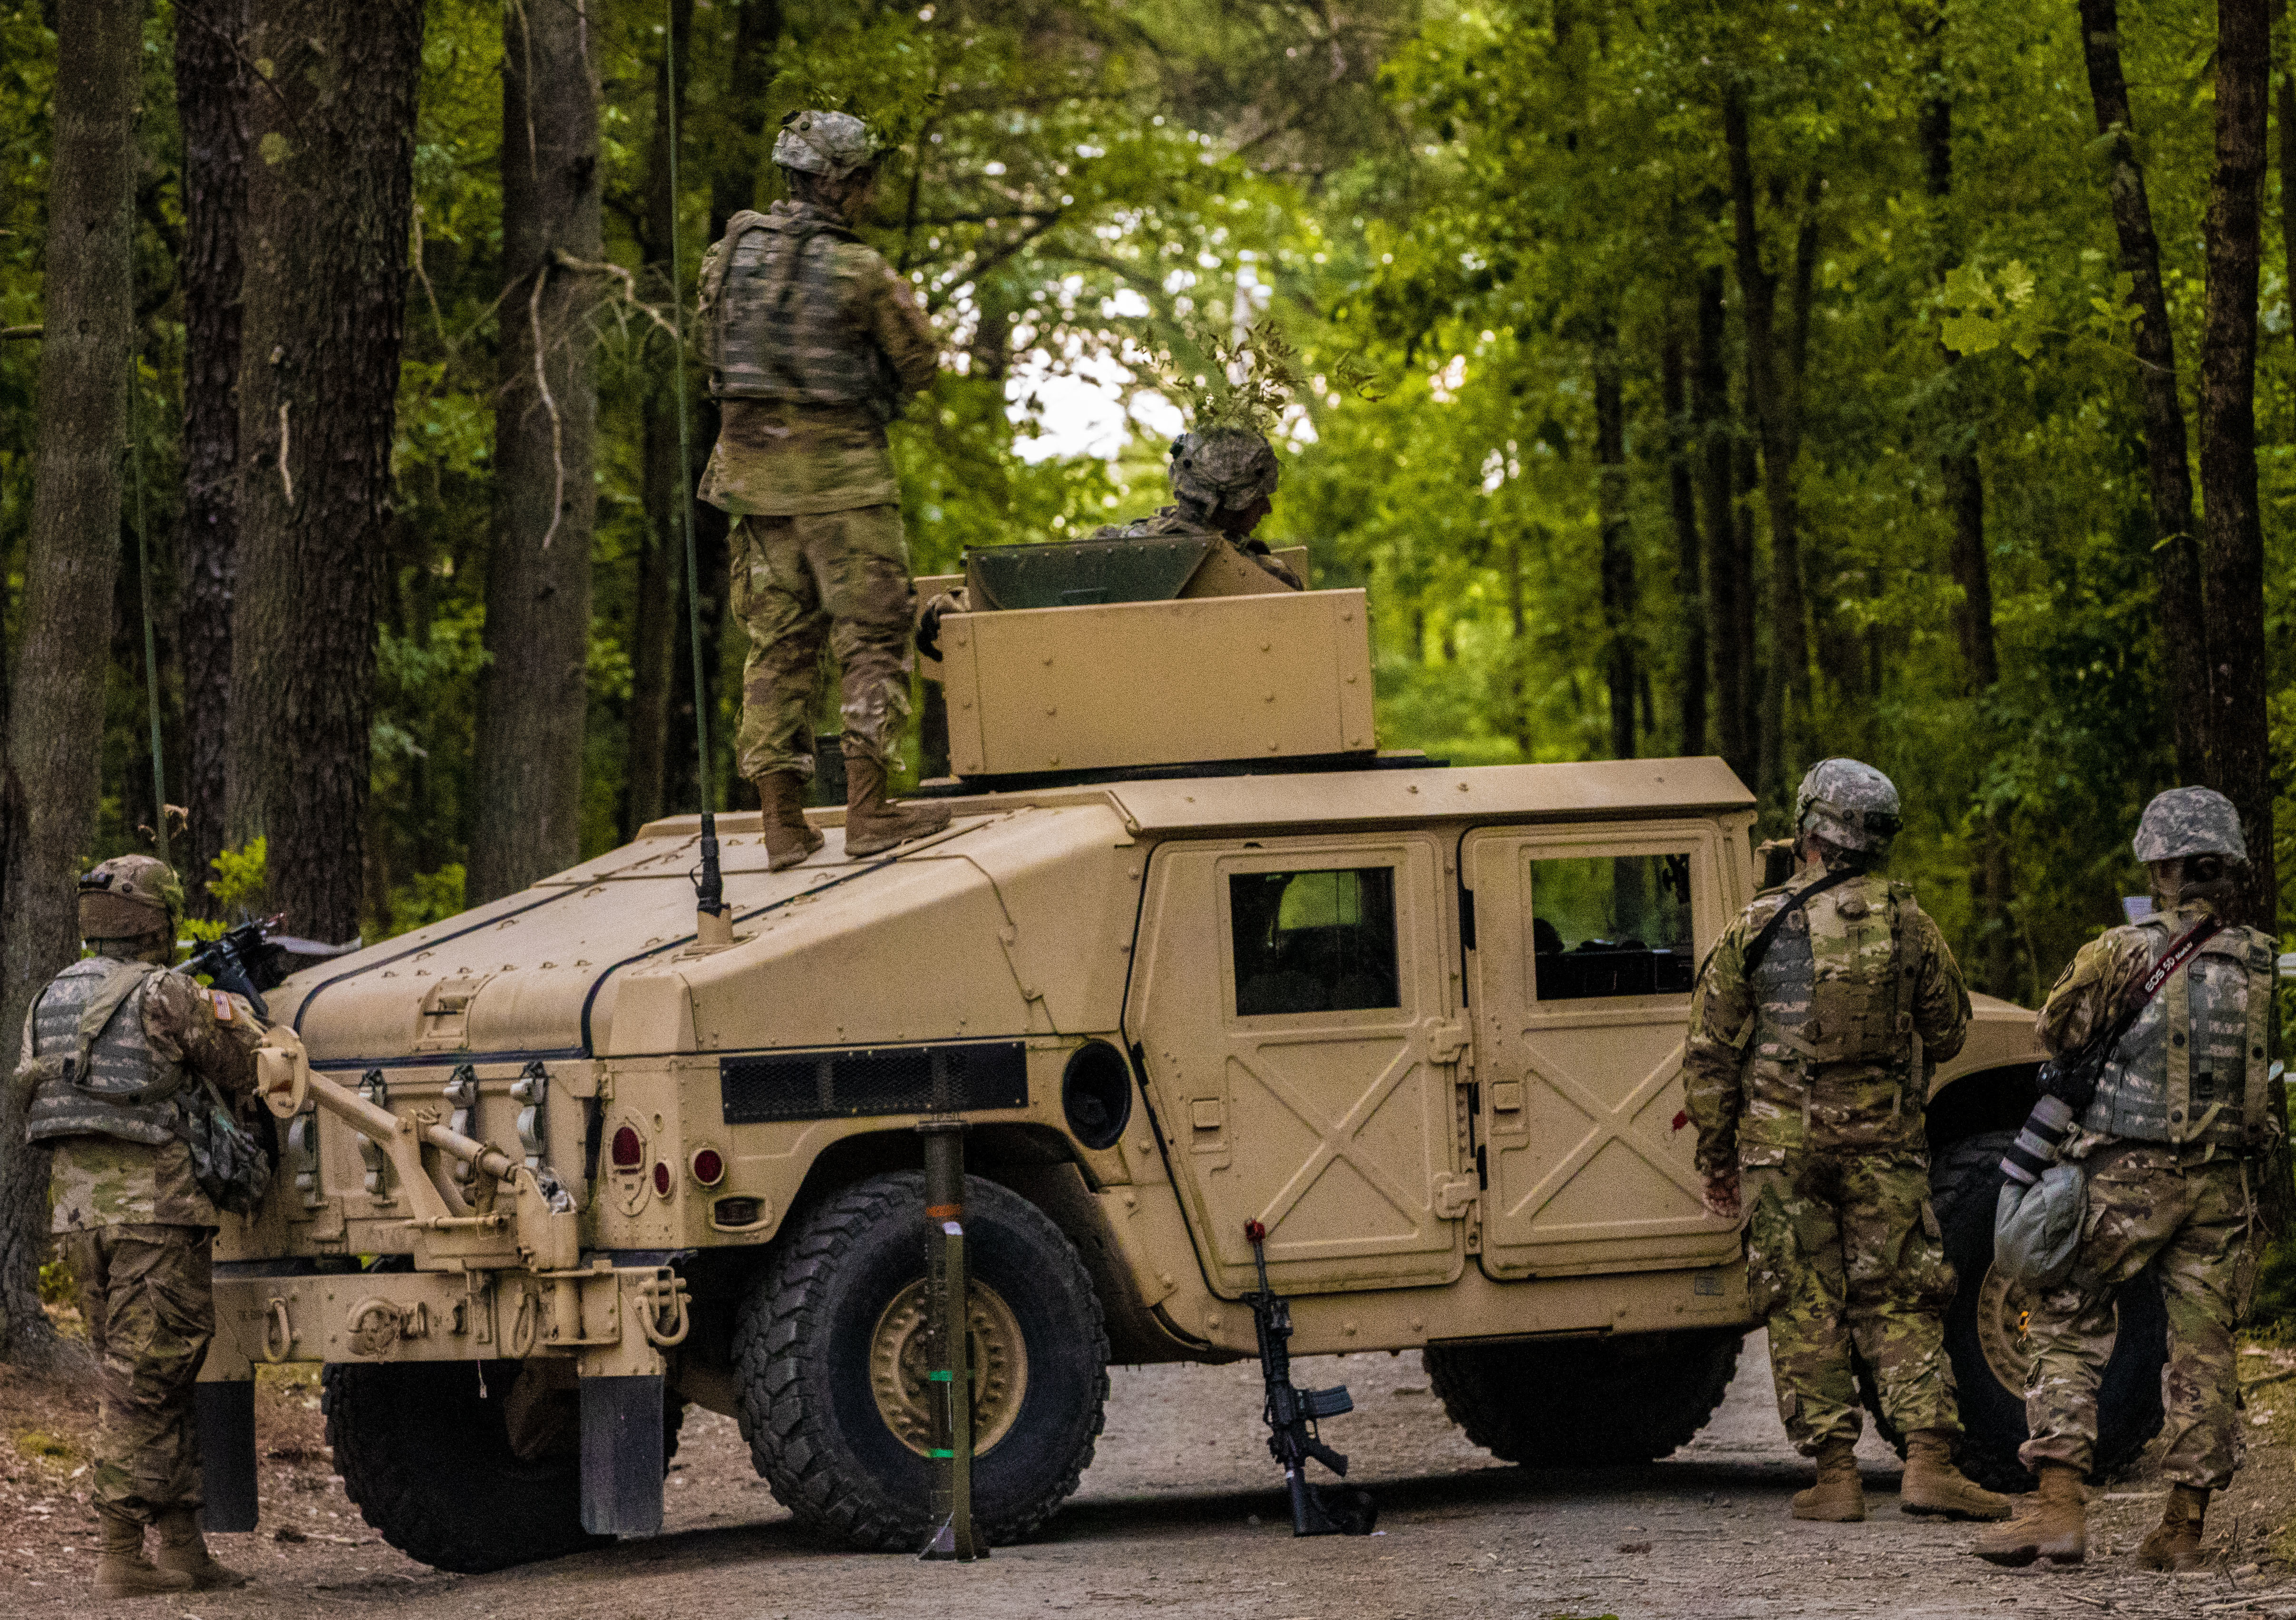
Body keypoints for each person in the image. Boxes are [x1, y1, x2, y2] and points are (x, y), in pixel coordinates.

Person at [1684, 759, 2009, 1524]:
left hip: (1781, 1149)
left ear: (1809, 832)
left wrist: (1716, 1156)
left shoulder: (1757, 925)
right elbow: (1953, 1031)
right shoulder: (1910, 924)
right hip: (1884, 1147)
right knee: (1901, 1297)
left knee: (1802, 1301)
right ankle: (1929, 1461)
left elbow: (1709, 1053)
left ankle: (1835, 1476)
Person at [1975, 787, 2279, 1570]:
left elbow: (2054, 1028)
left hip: (2128, 1172)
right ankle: (2180, 1528)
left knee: (2067, 1314)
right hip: (2225, 1182)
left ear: (2165, 863)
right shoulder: (2254, 957)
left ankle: (2056, 1508)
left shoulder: (2123, 947)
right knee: (2203, 1347)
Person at [696, 108, 948, 871]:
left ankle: (783, 826)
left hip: (752, 489)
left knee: (776, 649)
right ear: (841, 182)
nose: (872, 193)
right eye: (865, 178)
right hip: (846, 490)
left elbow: (708, 350)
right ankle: (868, 813)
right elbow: (921, 362)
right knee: (871, 641)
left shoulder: (725, 258)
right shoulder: (860, 272)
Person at [18, 856, 263, 1596]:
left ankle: (183, 1543)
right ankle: (121, 1549)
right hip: (157, 1211)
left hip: (79, 1214)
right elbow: (240, 1068)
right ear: (157, 917)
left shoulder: (50, 996)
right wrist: (240, 1018)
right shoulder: (166, 992)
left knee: (158, 1377)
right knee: (142, 1384)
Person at [1090, 425, 1301, 588]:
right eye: (1257, 497)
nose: (1267, 508)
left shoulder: (1108, 548)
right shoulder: (1272, 577)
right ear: (1223, 501)